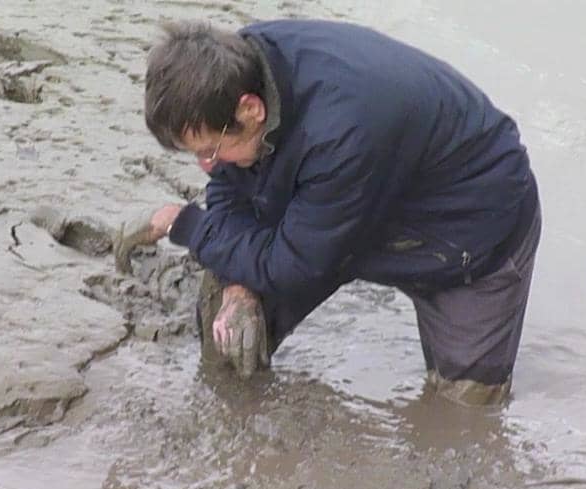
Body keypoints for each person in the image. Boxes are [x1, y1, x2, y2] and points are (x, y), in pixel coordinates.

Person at [136, 19, 541, 406]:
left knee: (463, 417)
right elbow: (231, 189)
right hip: (341, 201)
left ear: (250, 110)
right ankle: (235, 417)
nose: (206, 165)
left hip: (467, 228)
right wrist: (235, 281)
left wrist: (189, 226)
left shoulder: (341, 133)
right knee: (231, 323)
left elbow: (292, 266)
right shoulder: (236, 70)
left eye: (210, 149)